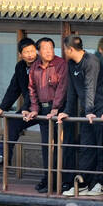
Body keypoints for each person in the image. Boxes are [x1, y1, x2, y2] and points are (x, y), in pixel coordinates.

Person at [59, 35, 103, 196]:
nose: (64, 52)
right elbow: (72, 91)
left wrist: (90, 111)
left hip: (102, 109)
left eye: (64, 49)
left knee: (102, 147)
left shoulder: (91, 61)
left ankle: (101, 183)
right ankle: (83, 183)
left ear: (70, 49)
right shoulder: (70, 64)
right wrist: (67, 111)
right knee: (86, 147)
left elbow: (90, 86)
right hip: (87, 111)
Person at [0, 37, 39, 169]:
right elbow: (13, 89)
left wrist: (26, 107)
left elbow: (36, 90)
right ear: (20, 54)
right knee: (13, 123)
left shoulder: (41, 65)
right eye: (26, 52)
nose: (30, 55)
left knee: (51, 142)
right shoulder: (20, 67)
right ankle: (2, 156)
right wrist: (2, 108)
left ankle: (51, 180)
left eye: (32, 51)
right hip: (29, 107)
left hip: (44, 107)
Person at [22, 37, 67, 193]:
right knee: (47, 147)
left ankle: (60, 181)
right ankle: (48, 179)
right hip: (43, 111)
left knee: (60, 147)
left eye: (51, 48)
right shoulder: (35, 67)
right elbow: (32, 89)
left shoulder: (60, 64)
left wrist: (56, 108)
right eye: (45, 49)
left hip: (59, 112)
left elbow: (62, 88)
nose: (49, 52)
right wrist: (34, 108)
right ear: (38, 51)